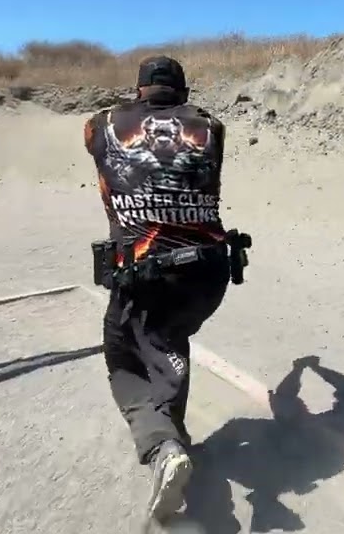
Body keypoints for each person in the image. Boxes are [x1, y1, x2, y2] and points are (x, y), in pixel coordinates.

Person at [82, 55, 232, 522]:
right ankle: (174, 436)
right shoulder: (212, 127)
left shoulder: (103, 123)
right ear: (184, 92)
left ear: (139, 90)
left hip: (147, 274)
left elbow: (97, 141)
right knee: (168, 339)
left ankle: (162, 446)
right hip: (209, 271)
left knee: (124, 356)